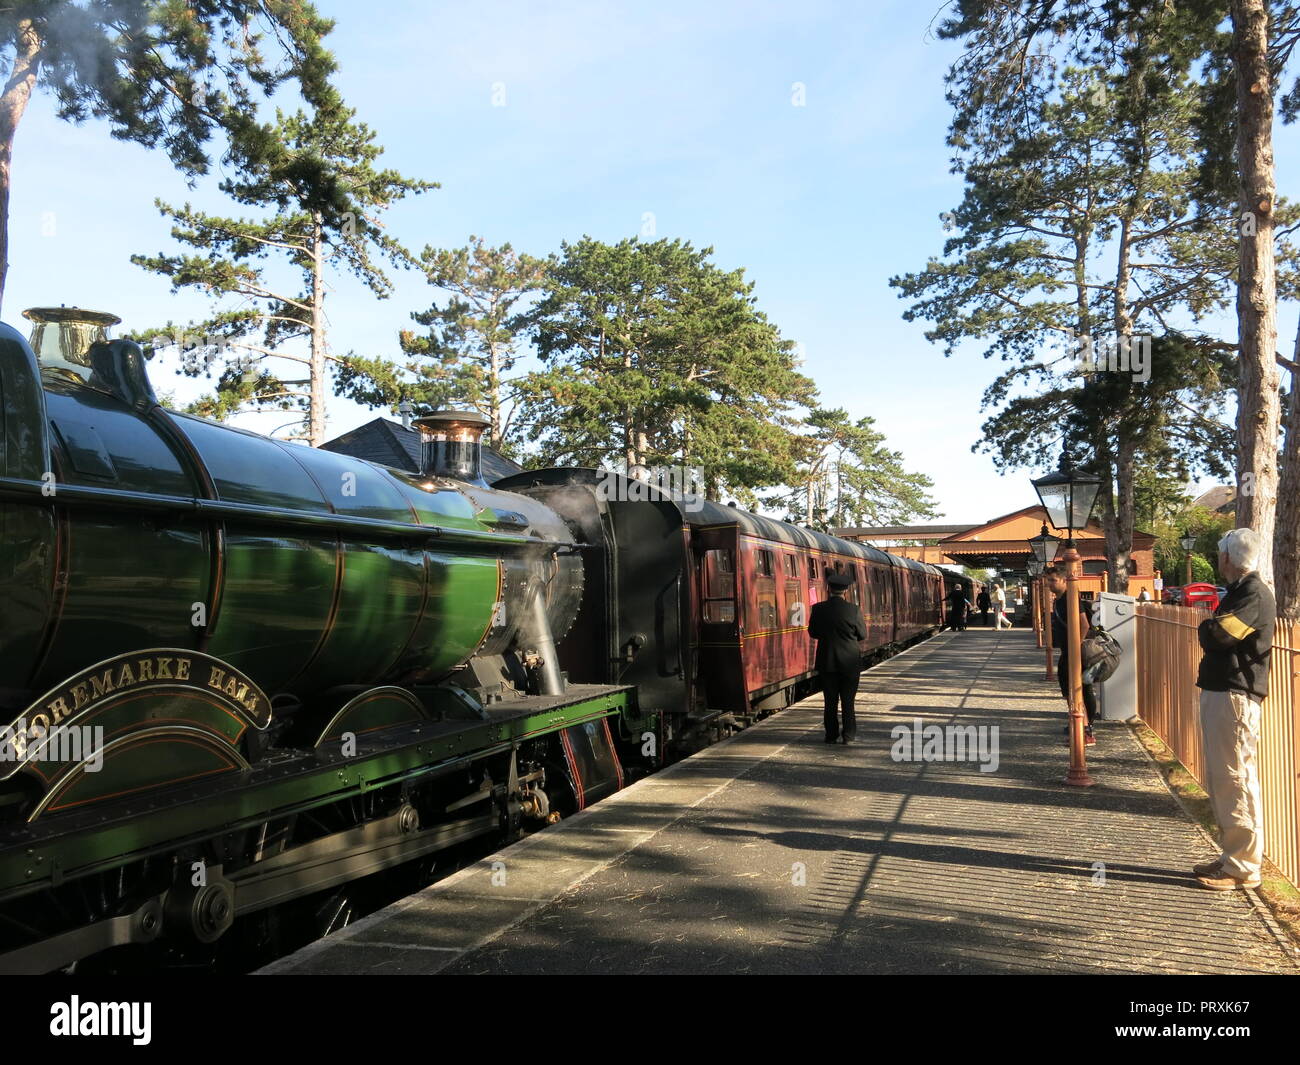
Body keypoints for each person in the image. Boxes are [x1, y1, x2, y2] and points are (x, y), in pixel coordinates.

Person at [1192, 528, 1275, 891]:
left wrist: (1206, 627)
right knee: (1227, 778)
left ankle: (1243, 866)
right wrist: (1209, 627)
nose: (1218, 559)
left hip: (1234, 696)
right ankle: (1232, 857)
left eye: (1220, 553)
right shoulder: (1243, 592)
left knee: (1235, 777)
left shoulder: (1252, 594)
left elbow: (1218, 636)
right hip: (1225, 693)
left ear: (1228, 558)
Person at [808, 571, 867, 744]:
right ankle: (848, 736)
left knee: (830, 701)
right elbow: (862, 634)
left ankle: (831, 735)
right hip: (849, 663)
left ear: (828, 589)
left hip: (827, 662)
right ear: (846, 591)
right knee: (848, 701)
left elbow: (813, 632)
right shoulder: (854, 610)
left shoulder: (818, 609)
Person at [1047, 566, 1097, 745]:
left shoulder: (1070, 599)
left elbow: (1084, 624)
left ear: (1063, 580)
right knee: (1073, 690)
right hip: (1067, 651)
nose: (1049, 584)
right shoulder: (1059, 600)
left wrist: (1076, 647)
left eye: (1053, 580)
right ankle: (1081, 728)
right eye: (1048, 580)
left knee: (1076, 691)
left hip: (1073, 653)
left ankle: (1084, 732)